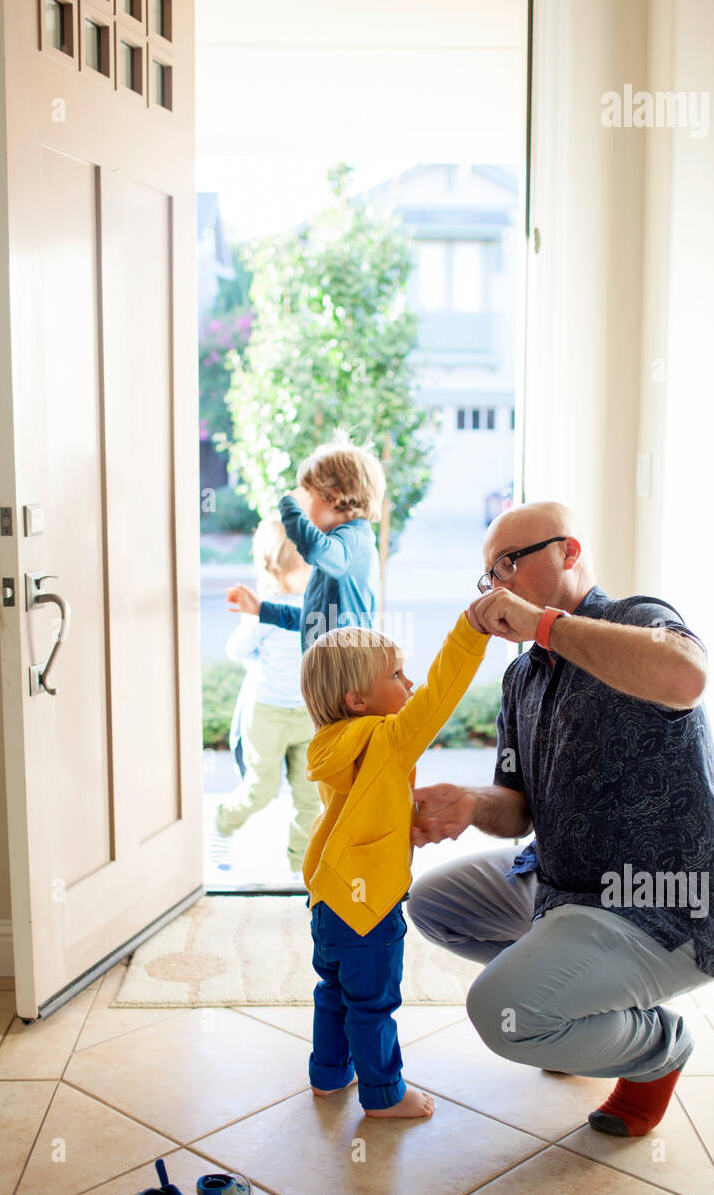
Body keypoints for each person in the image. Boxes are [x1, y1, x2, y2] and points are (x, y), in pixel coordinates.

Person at [407, 500, 714, 1137]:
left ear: (569, 551)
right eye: (489, 575)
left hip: (660, 903)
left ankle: (656, 1049)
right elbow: (519, 809)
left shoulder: (636, 620)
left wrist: (546, 624)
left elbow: (686, 677)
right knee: (432, 905)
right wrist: (474, 804)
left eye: (509, 563)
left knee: (500, 1011)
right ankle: (578, 1007)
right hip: (561, 882)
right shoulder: (522, 679)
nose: (497, 584)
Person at [298, 591, 508, 1118]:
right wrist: (470, 632)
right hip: (369, 908)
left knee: (334, 991)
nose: (409, 685)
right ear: (358, 700)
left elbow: (359, 809)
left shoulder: (332, 742)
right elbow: (440, 695)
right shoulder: (388, 737)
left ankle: (327, 1075)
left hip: (328, 899)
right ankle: (384, 1095)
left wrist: (404, 812)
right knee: (373, 1005)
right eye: (396, 675)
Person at [212, 518, 322, 877]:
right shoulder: (266, 610)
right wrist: (255, 646)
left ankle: (298, 867)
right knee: (262, 789)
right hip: (268, 713)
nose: (309, 571)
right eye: (303, 566)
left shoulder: (316, 604)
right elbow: (235, 650)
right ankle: (222, 825)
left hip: (308, 715)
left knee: (310, 797)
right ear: (275, 570)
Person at [226, 430, 385, 651]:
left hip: (347, 679)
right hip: (328, 677)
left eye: (309, 496)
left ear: (335, 497)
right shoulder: (342, 547)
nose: (305, 507)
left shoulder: (353, 542)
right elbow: (315, 623)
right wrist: (261, 609)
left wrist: (288, 503)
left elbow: (312, 547)